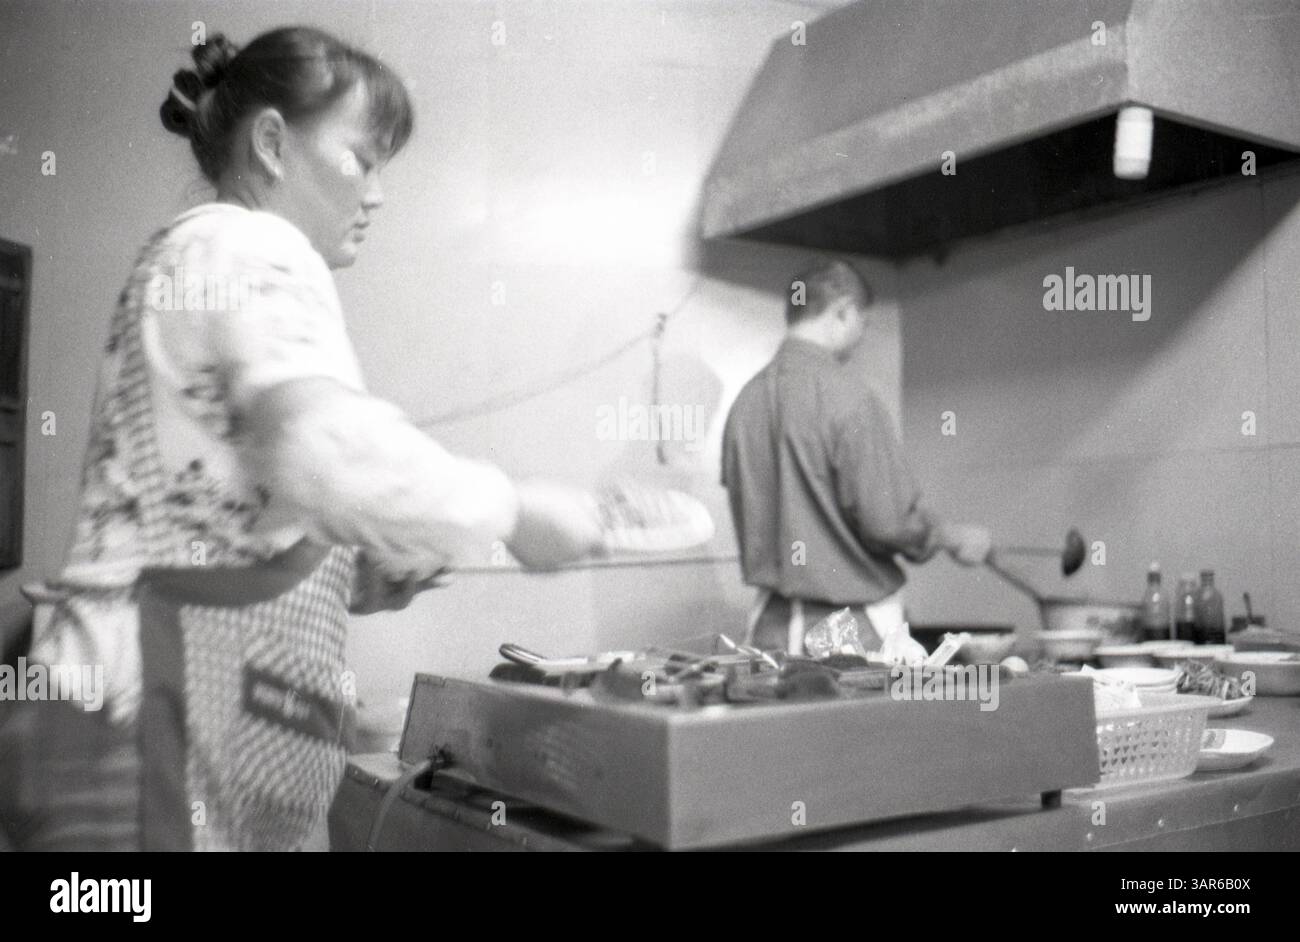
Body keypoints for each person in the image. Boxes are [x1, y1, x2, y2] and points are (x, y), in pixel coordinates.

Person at [0, 26, 604, 852]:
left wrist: (353, 576)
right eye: (364, 157)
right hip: (149, 733)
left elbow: (214, 515)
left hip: (117, 722)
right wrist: (515, 510)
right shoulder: (252, 246)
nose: (379, 192)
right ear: (275, 144)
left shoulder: (199, 253)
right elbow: (321, 451)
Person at [720, 258, 991, 656]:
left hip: (769, 631)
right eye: (863, 322)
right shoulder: (850, 399)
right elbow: (887, 523)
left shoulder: (745, 403)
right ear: (843, 311)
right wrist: (948, 535)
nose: (862, 334)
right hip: (848, 633)